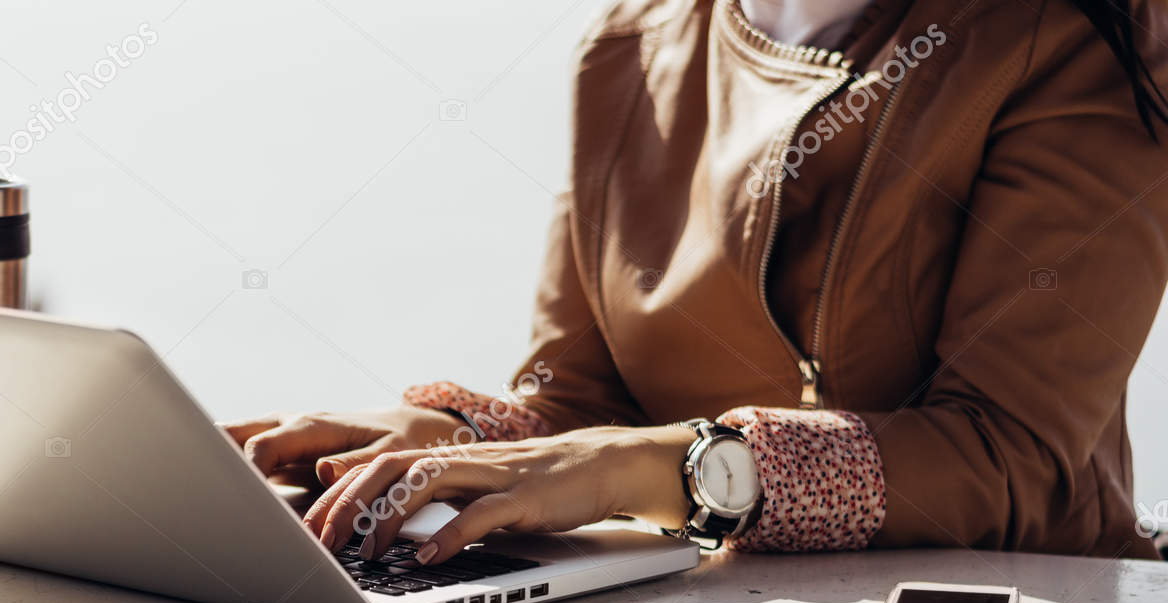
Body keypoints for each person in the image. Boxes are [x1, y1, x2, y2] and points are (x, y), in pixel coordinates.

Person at [225, 0, 1168, 565]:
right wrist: (448, 441)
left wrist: (658, 469)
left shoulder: (1073, 43)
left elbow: (1008, 454)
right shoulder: (635, 40)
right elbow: (581, 403)